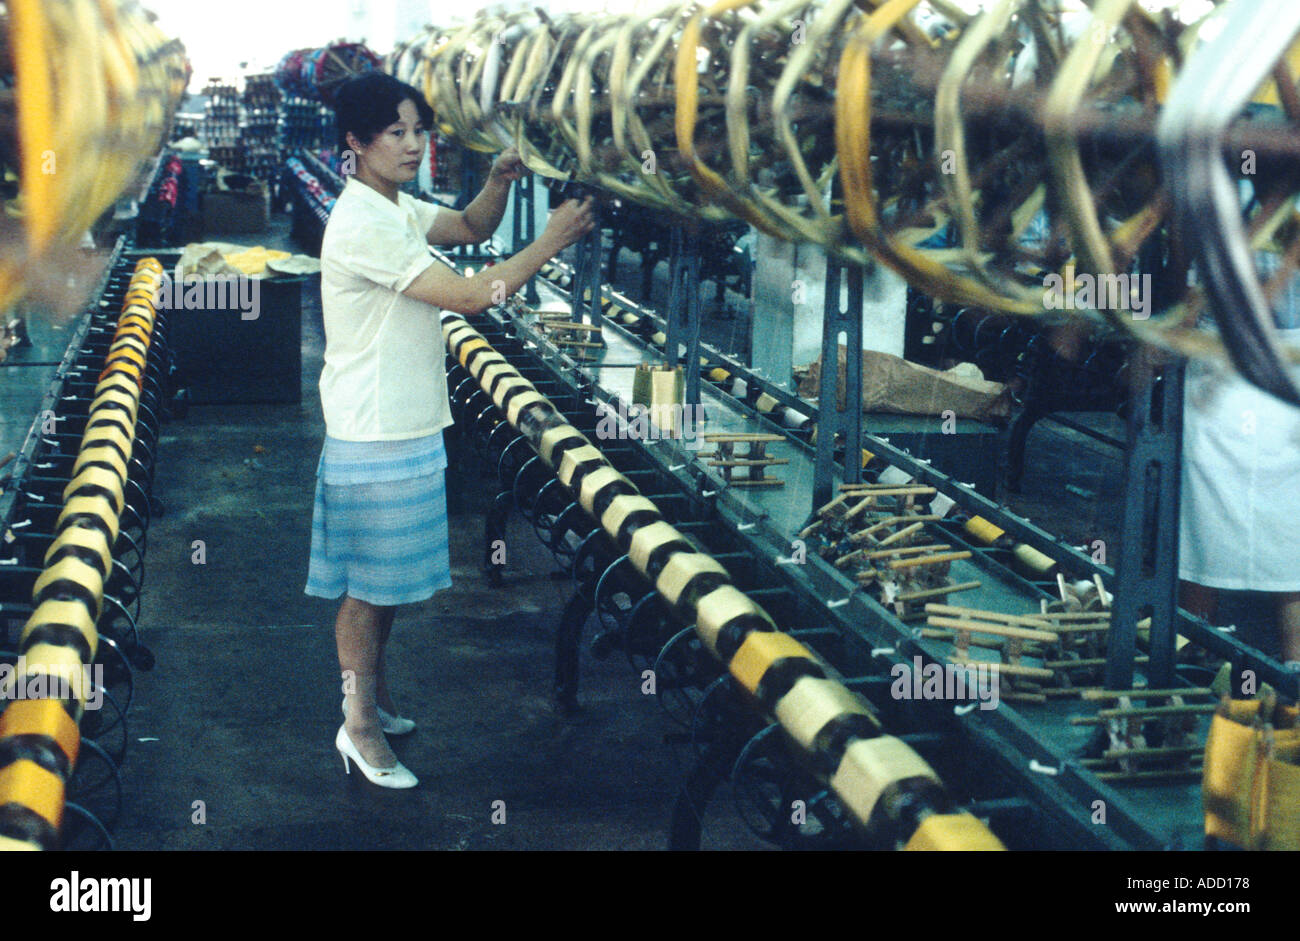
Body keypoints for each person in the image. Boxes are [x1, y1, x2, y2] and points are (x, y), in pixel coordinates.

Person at [304, 72, 596, 787]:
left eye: (419, 131)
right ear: (356, 142)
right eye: (395, 134)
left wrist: (499, 179)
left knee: (389, 584)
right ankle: (358, 726)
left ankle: (376, 696)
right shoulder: (364, 222)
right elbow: (469, 295)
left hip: (404, 421)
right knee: (367, 591)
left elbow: (469, 228)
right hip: (372, 429)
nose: (412, 146)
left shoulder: (393, 206)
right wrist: (551, 239)